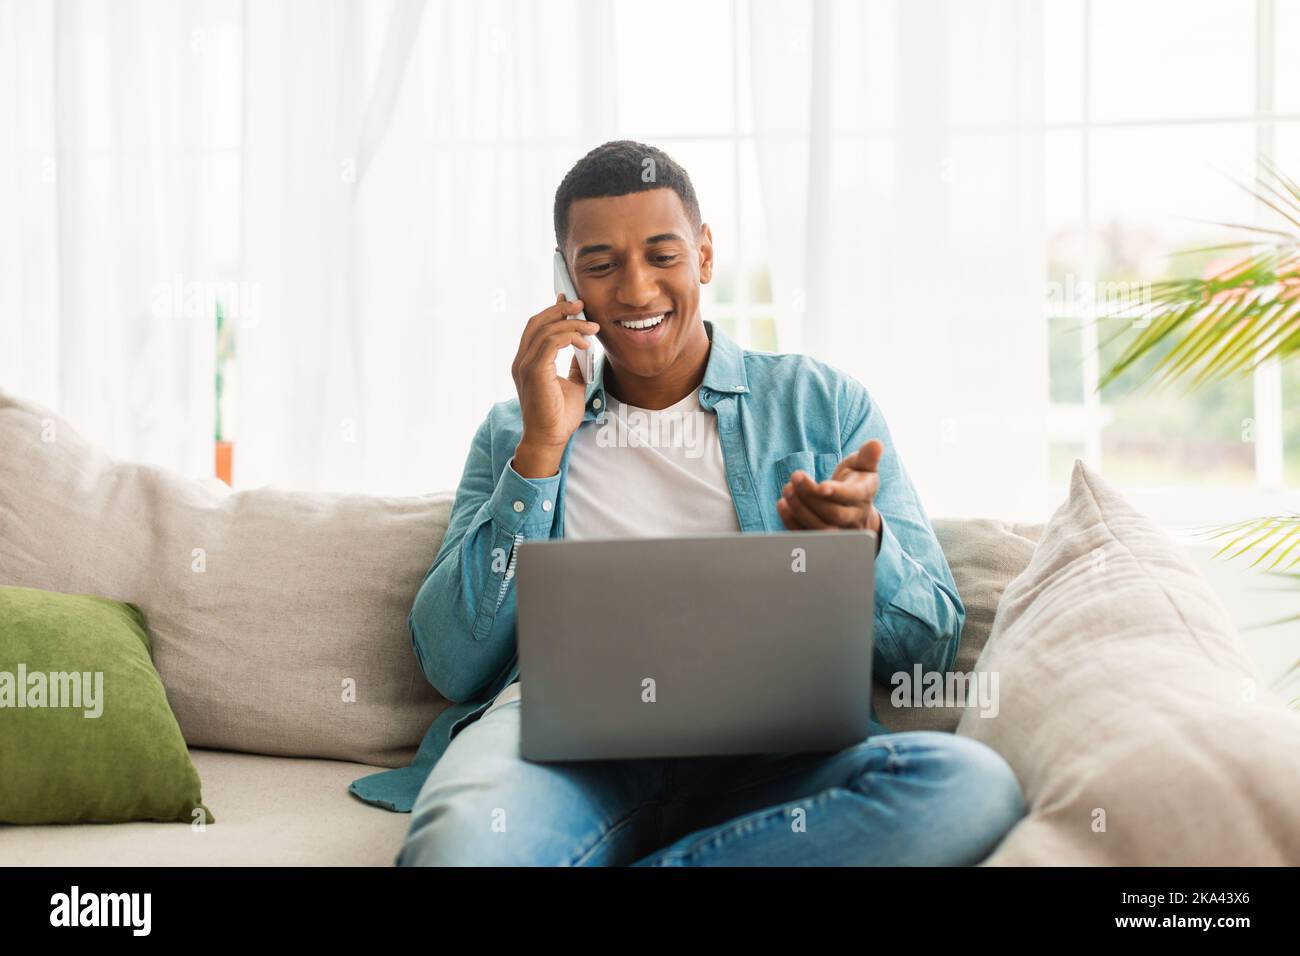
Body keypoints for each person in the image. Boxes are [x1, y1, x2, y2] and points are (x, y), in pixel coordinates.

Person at [349, 139, 1027, 866]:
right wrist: (540, 451)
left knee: (972, 788)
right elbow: (452, 662)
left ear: (704, 254)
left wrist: (866, 545)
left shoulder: (821, 405)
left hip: (776, 755)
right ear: (565, 278)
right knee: (459, 851)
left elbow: (930, 648)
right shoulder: (516, 429)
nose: (636, 291)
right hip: (563, 753)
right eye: (601, 265)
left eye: (662, 256)